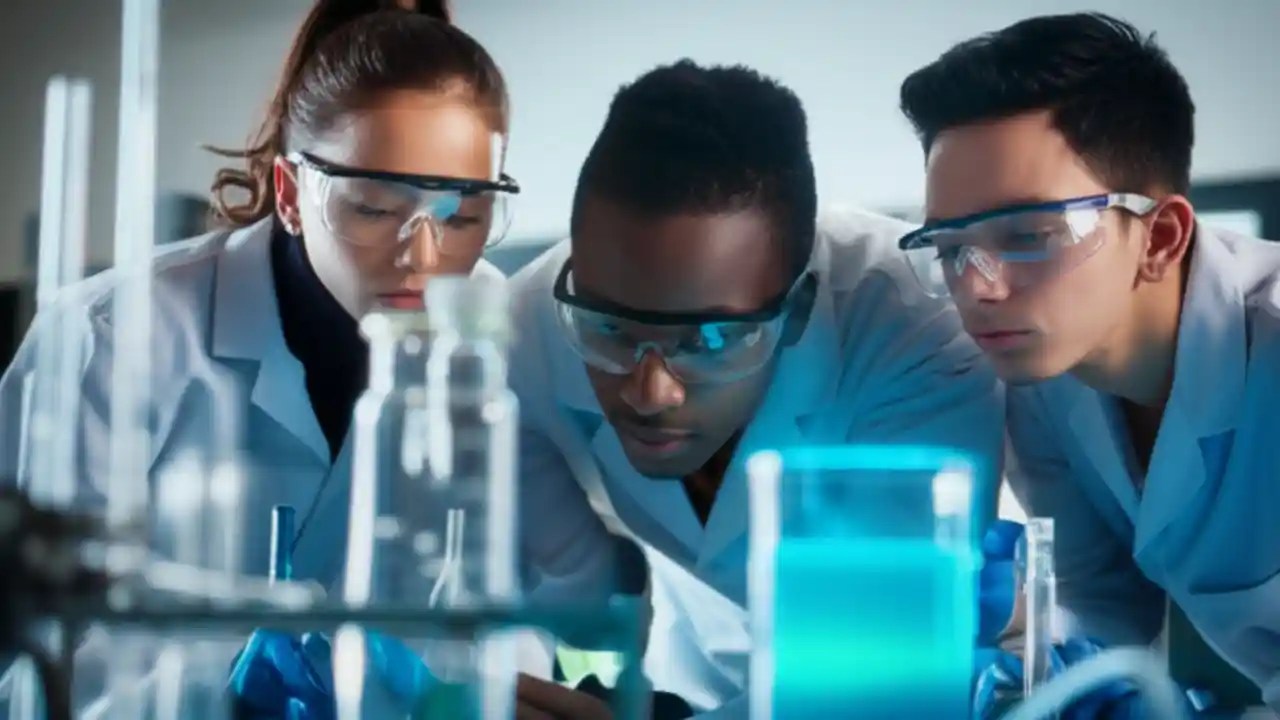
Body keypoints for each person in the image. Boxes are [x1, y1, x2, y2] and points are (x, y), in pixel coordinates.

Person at [0, 0, 632, 715]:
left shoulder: (515, 340)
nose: (424, 258)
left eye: (462, 214)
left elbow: (581, 596)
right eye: (373, 208)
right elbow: (24, 672)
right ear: (293, 194)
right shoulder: (108, 341)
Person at [507, 59, 1005, 716]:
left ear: (797, 308)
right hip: (695, 674)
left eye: (710, 340)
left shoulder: (917, 333)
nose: (650, 392)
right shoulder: (524, 332)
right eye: (611, 330)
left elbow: (876, 668)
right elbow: (496, 594)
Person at [898, 12, 1280, 712]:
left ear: (1161, 237)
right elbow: (1101, 611)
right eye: (952, 248)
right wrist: (1016, 627)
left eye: (1030, 234)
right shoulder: (1045, 379)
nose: (979, 285)